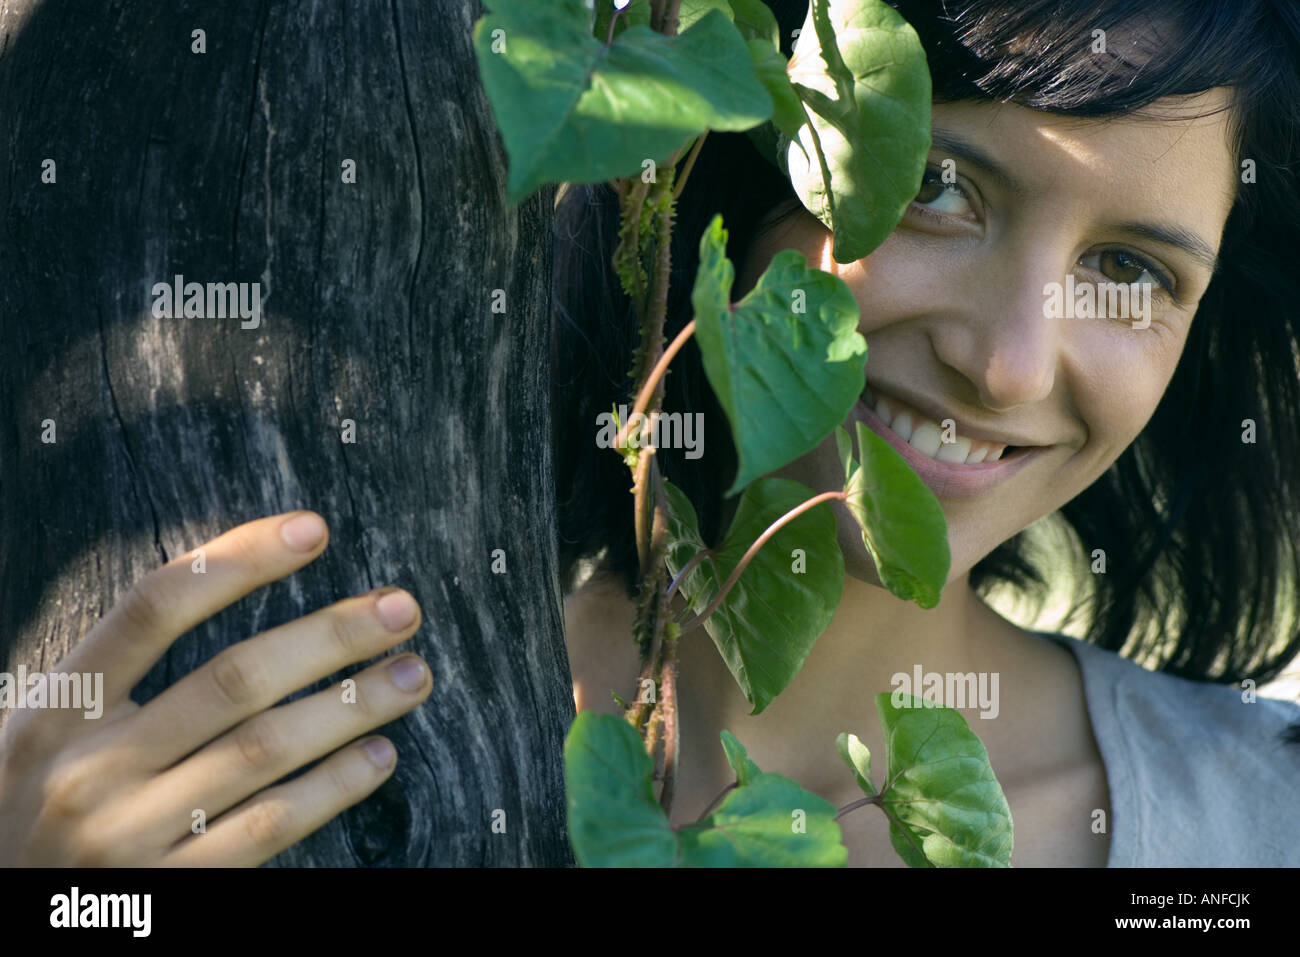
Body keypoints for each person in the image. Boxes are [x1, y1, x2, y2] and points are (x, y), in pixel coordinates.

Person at [555, 0, 1300, 865]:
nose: (1008, 367)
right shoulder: (404, 718)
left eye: (1128, 269)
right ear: (730, 147)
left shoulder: (1260, 832)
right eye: (933, 185)